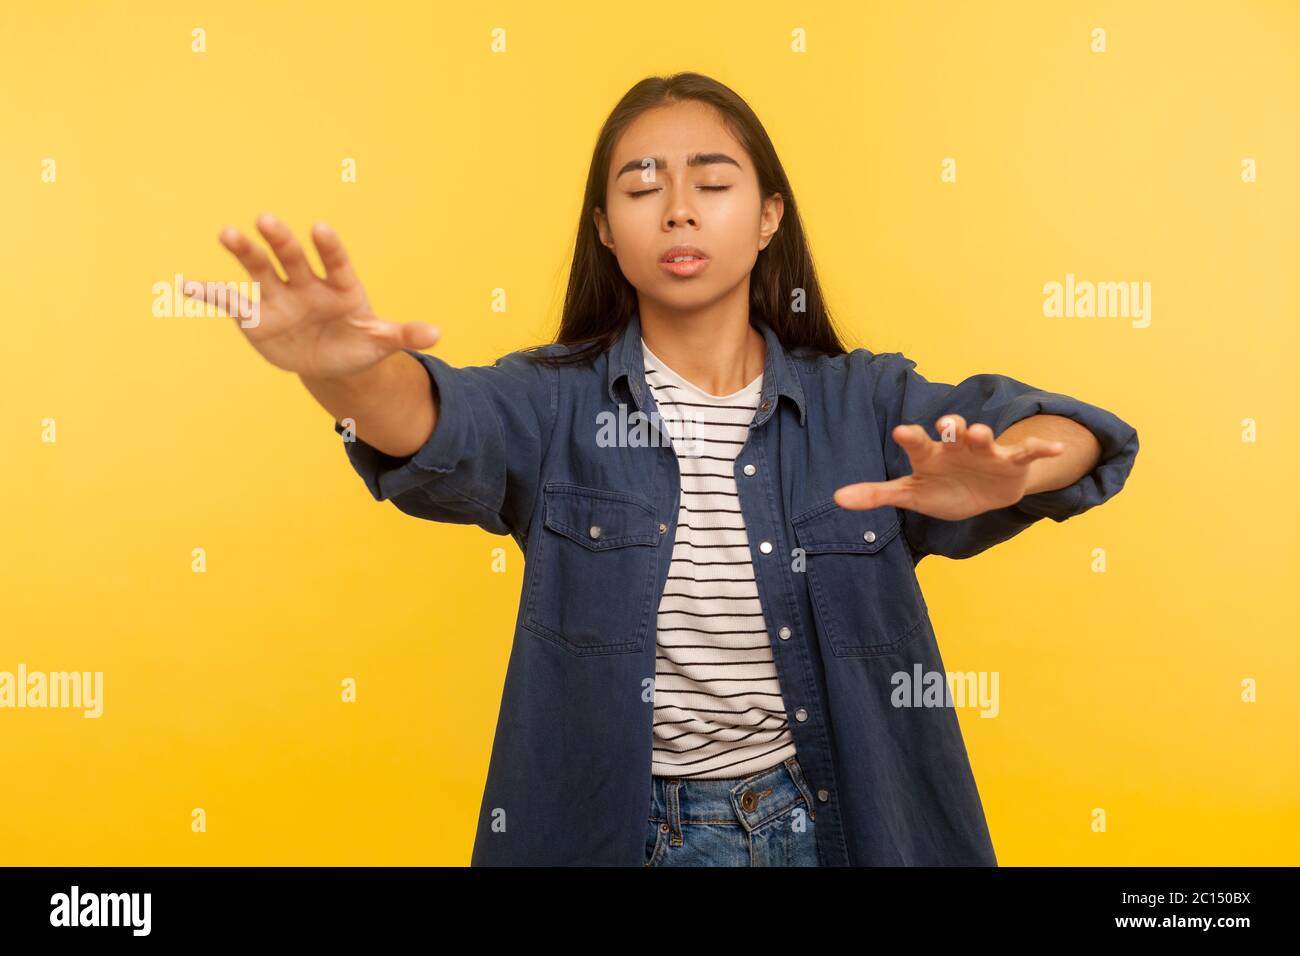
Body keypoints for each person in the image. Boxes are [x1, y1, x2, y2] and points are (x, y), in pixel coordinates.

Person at [184, 72, 1138, 866]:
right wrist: (338, 369)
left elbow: (1068, 432)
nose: (677, 208)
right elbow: (429, 421)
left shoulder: (866, 403)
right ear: (606, 226)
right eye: (641, 188)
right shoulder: (553, 403)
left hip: (830, 827)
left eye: (711, 183)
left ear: (768, 216)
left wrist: (1018, 470)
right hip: (616, 833)